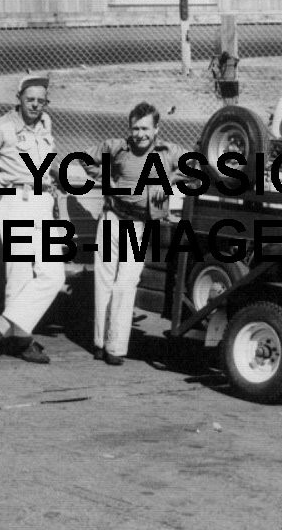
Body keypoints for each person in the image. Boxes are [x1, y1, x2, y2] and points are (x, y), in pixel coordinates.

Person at [86, 102, 190, 366]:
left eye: (145, 128)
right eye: (135, 128)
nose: (139, 134)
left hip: (139, 225)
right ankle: (100, 342)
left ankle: (116, 347)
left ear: (156, 129)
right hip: (111, 218)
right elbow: (85, 158)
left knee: (125, 284)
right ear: (129, 128)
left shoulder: (168, 152)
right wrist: (104, 177)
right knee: (104, 281)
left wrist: (168, 182)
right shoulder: (118, 147)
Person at [0, 74, 62, 364]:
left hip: (43, 203)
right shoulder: (2, 127)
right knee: (19, 277)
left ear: (46, 102)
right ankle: (21, 341)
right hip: (16, 204)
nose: (35, 105)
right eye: (30, 99)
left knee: (52, 275)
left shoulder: (46, 125)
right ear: (19, 98)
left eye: (40, 100)